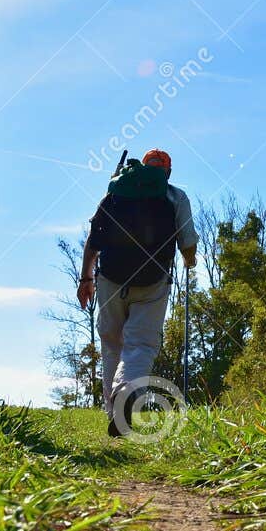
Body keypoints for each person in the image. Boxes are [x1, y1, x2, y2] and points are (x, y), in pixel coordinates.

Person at [77, 148, 196, 435]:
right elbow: (188, 241)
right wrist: (189, 260)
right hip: (152, 280)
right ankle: (126, 391)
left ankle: (115, 412)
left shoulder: (116, 191)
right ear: (167, 172)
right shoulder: (175, 196)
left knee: (111, 343)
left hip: (110, 278)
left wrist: (86, 279)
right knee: (141, 344)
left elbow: (93, 241)